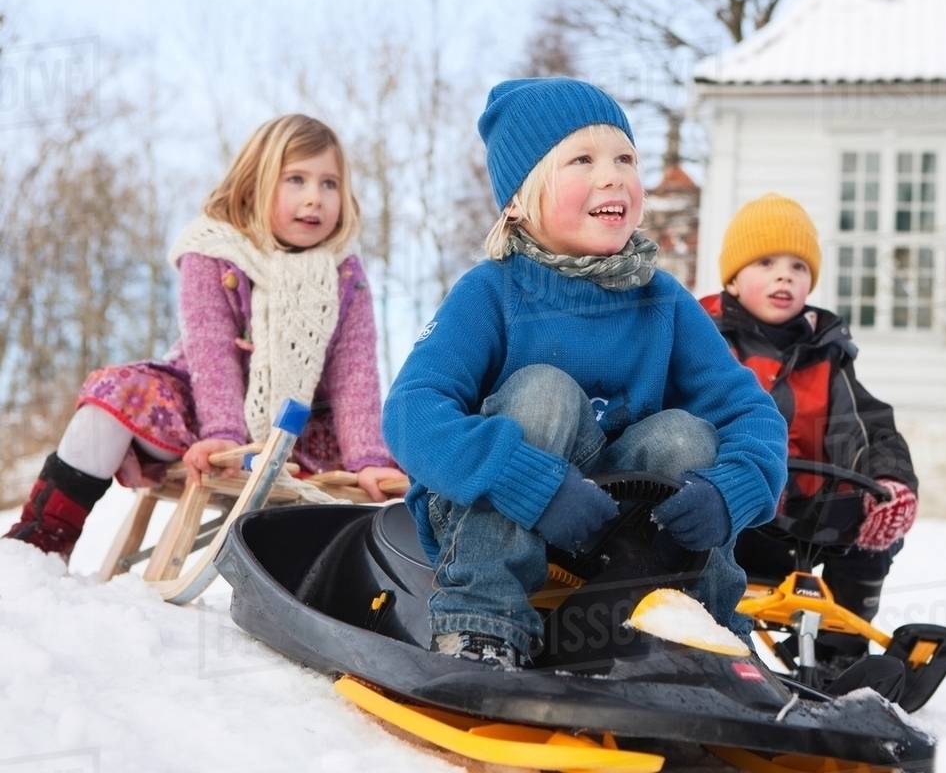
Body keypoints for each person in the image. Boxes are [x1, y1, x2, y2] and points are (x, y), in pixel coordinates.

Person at [382, 78, 787, 671]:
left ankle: (697, 630)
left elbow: (749, 412)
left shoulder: (663, 302)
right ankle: (482, 623)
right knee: (543, 390)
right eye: (583, 159)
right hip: (490, 515)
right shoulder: (493, 292)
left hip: (611, 527)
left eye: (625, 158)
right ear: (518, 200)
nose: (613, 176)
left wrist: (734, 491)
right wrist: (530, 482)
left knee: (684, 436)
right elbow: (412, 410)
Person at [4, 114, 401, 561]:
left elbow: (355, 374)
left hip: (299, 431)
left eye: (330, 184)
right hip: (202, 407)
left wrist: (368, 456)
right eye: (296, 179)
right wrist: (223, 434)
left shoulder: (344, 272)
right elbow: (211, 352)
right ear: (254, 185)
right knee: (113, 396)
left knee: (410, 450)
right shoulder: (212, 252)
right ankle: (44, 537)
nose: (315, 198)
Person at [700, 193, 919, 672]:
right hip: (726, 512)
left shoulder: (827, 356)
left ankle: (839, 654)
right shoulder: (703, 339)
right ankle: (693, 634)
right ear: (733, 279)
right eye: (766, 262)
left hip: (800, 524)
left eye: (799, 267)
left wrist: (890, 483)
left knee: (872, 512)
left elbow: (871, 428)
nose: (785, 275)